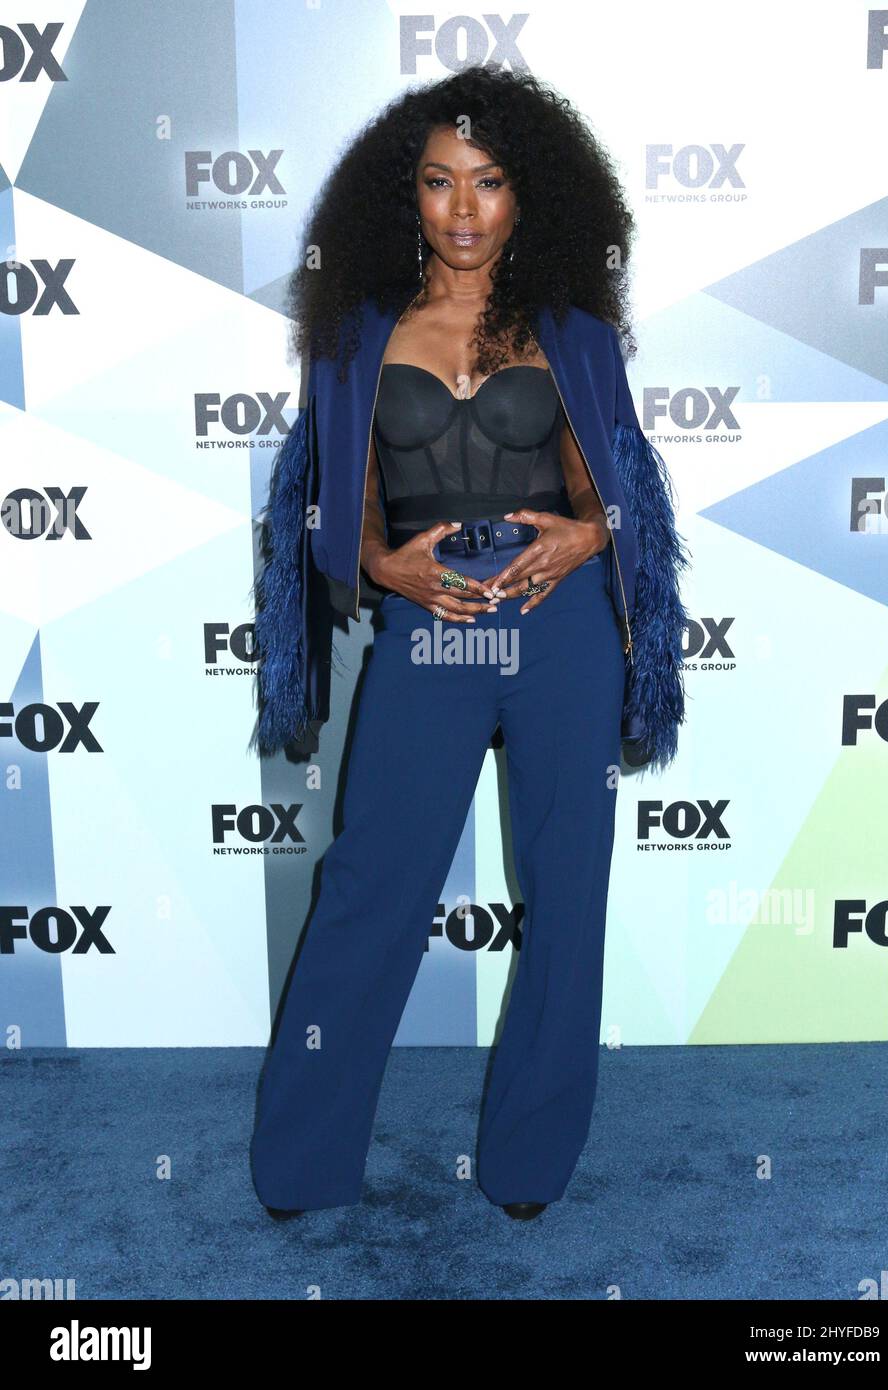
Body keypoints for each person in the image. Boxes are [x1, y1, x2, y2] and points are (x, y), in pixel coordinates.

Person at [248, 65, 690, 1221]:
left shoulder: (573, 331)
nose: (461, 207)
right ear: (408, 196)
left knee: (567, 890)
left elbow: (615, 494)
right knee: (369, 887)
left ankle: (527, 1166)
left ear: (524, 195)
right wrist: (381, 566)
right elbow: (333, 497)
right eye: (440, 181)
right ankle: (303, 1162)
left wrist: (580, 540)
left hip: (559, 640)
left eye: (487, 182)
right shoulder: (354, 334)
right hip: (425, 636)